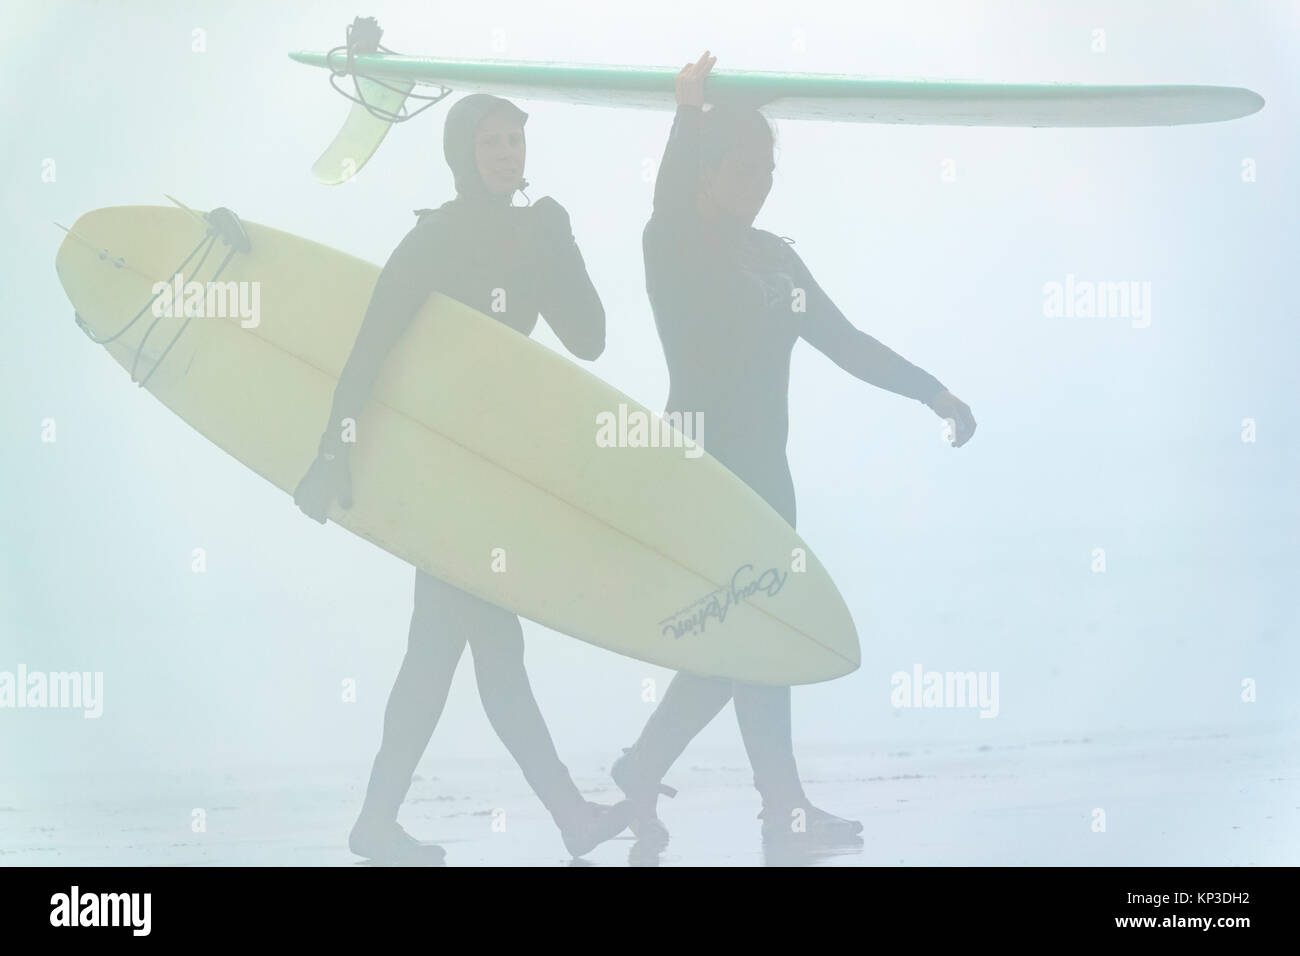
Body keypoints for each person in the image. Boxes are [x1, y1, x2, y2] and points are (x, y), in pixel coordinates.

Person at [611, 53, 978, 847]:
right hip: (701, 466)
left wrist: (931, 390)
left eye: (767, 170)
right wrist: (685, 111)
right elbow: (668, 197)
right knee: (756, 635)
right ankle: (779, 806)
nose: (759, 183)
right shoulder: (672, 243)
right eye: (743, 169)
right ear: (705, 173)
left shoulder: (774, 255)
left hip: (766, 475)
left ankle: (651, 768)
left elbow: (843, 341)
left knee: (746, 638)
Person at [294, 93, 633, 863]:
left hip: (494, 470)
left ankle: (380, 823)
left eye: (516, 140)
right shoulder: (435, 240)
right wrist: (331, 450)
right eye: (492, 142)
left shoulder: (537, 232)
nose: (509, 152)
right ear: (462, 154)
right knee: (486, 649)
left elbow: (591, 341)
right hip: (446, 474)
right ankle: (567, 817)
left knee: (442, 650)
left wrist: (563, 240)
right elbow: (371, 347)